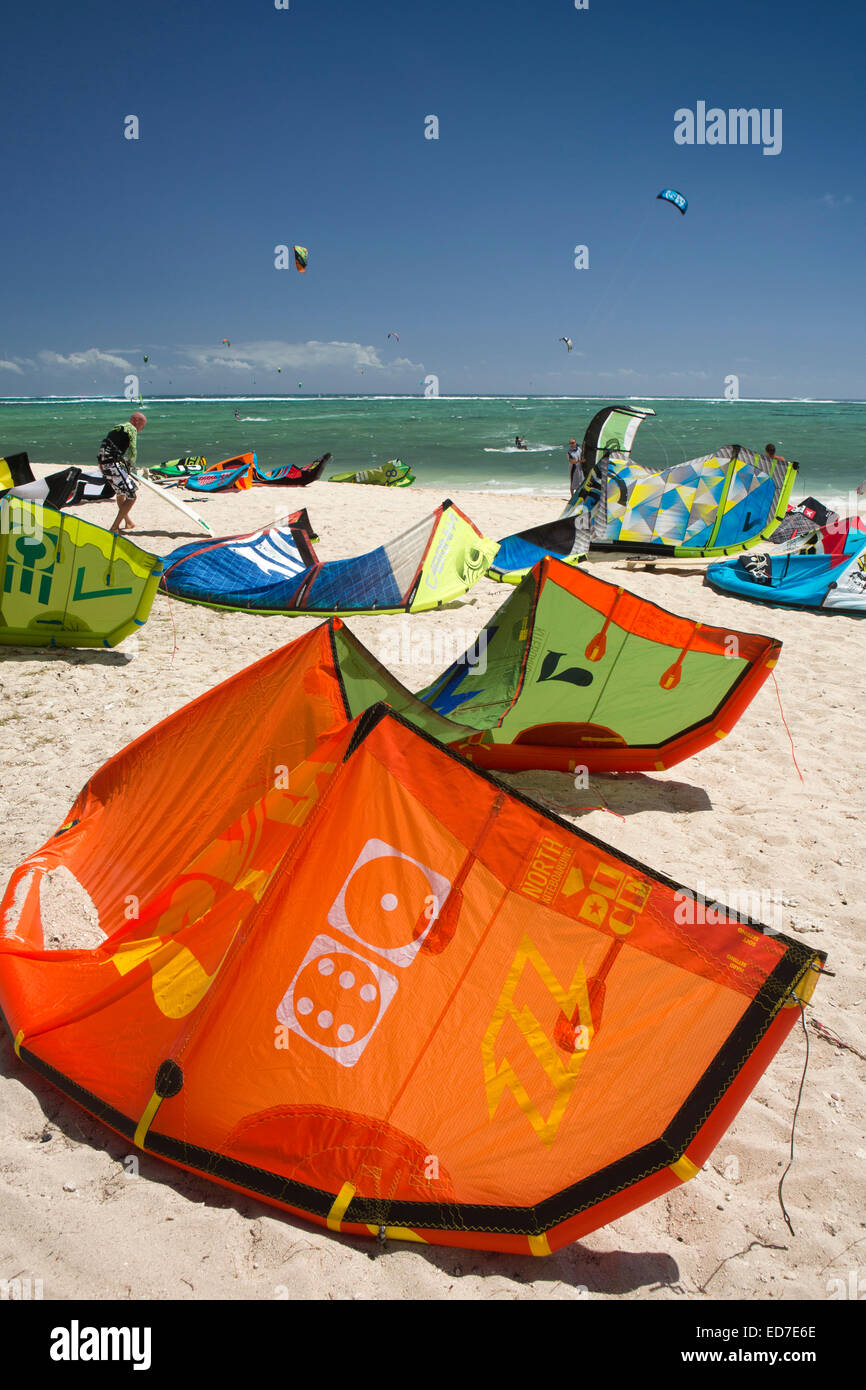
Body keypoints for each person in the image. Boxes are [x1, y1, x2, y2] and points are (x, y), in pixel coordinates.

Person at [97, 412, 146, 531]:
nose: (141, 429)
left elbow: (110, 448)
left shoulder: (118, 428)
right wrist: (132, 466)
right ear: (135, 421)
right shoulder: (131, 429)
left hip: (103, 465)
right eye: (142, 426)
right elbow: (133, 450)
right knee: (132, 495)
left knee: (121, 493)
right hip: (112, 464)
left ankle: (128, 522)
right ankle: (114, 527)